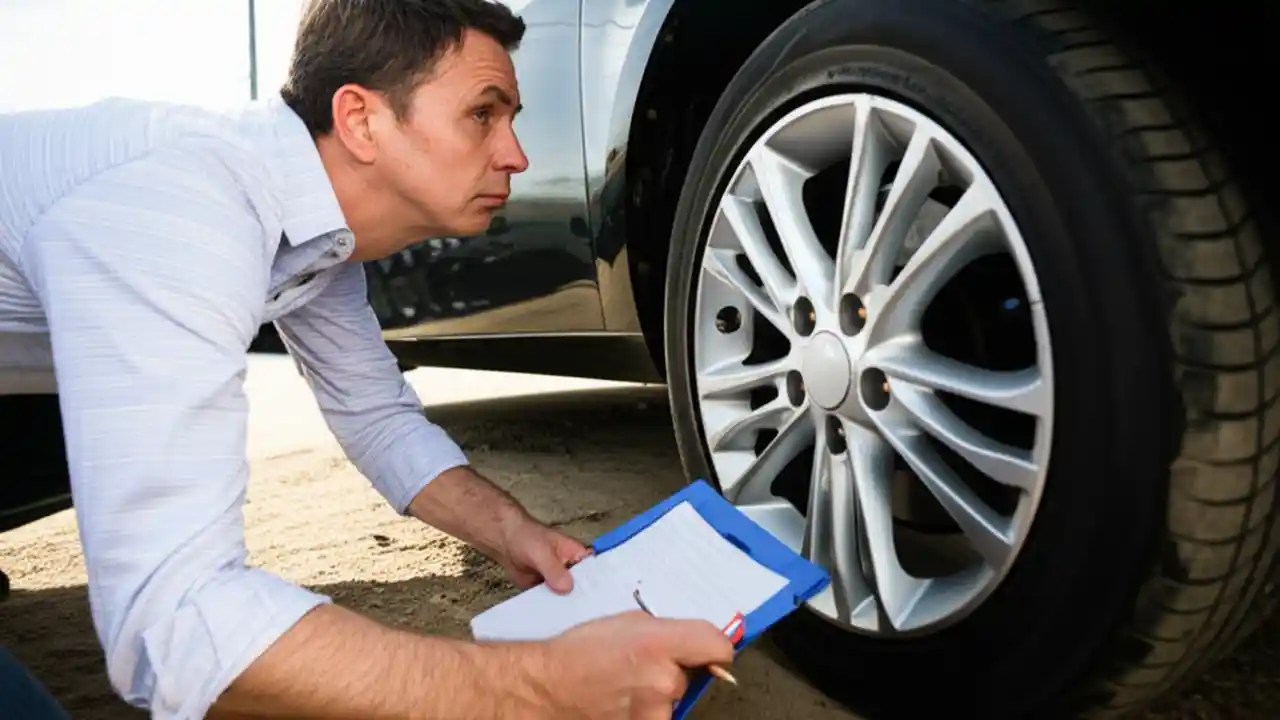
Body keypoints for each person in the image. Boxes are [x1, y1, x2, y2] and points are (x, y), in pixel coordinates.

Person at [0, 0, 735, 717]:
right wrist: (536, 688)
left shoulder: (315, 236)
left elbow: (379, 420)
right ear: (360, 119)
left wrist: (513, 531)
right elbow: (176, 627)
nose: (516, 153)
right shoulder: (186, 211)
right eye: (484, 114)